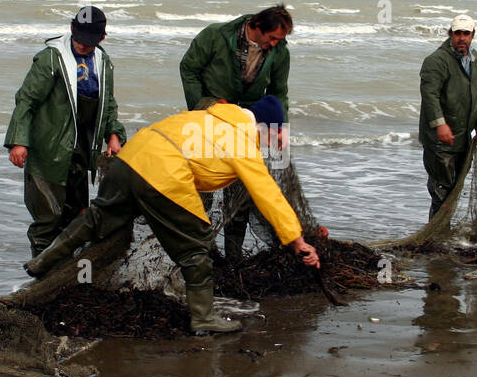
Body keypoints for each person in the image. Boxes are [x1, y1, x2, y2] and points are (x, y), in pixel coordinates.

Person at [23, 96, 320, 335]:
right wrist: (295, 240)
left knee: (97, 218)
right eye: (277, 132)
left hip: (130, 159)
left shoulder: (209, 115)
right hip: (162, 175)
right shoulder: (241, 138)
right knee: (195, 248)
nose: (277, 139)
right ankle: (203, 319)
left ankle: (43, 261)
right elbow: (266, 192)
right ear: (265, 126)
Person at [5, 5, 128, 258]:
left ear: (102, 38)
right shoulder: (51, 59)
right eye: (80, 38)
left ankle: (72, 269)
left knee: (77, 213)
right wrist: (19, 142)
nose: (83, 44)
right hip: (47, 146)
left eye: (90, 40)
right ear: (72, 29)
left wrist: (113, 134)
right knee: (48, 215)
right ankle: (40, 272)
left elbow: (108, 103)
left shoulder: (104, 63)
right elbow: (26, 100)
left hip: (82, 147)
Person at [179, 4, 293, 258]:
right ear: (256, 26)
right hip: (207, 123)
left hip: (245, 125)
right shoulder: (215, 35)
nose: (275, 44)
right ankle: (200, 251)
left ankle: (233, 254)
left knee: (240, 194)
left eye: (280, 39)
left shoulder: (279, 51)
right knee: (202, 189)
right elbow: (188, 69)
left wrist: (279, 127)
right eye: (272, 37)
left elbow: (278, 92)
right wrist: (203, 105)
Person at [418, 13, 477, 219]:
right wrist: (440, 124)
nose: (462, 37)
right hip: (438, 141)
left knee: (453, 189)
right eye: (457, 33)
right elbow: (429, 95)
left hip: (463, 139)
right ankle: (436, 235)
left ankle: (443, 232)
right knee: (441, 189)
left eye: (466, 33)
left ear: (473, 35)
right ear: (450, 34)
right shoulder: (436, 61)